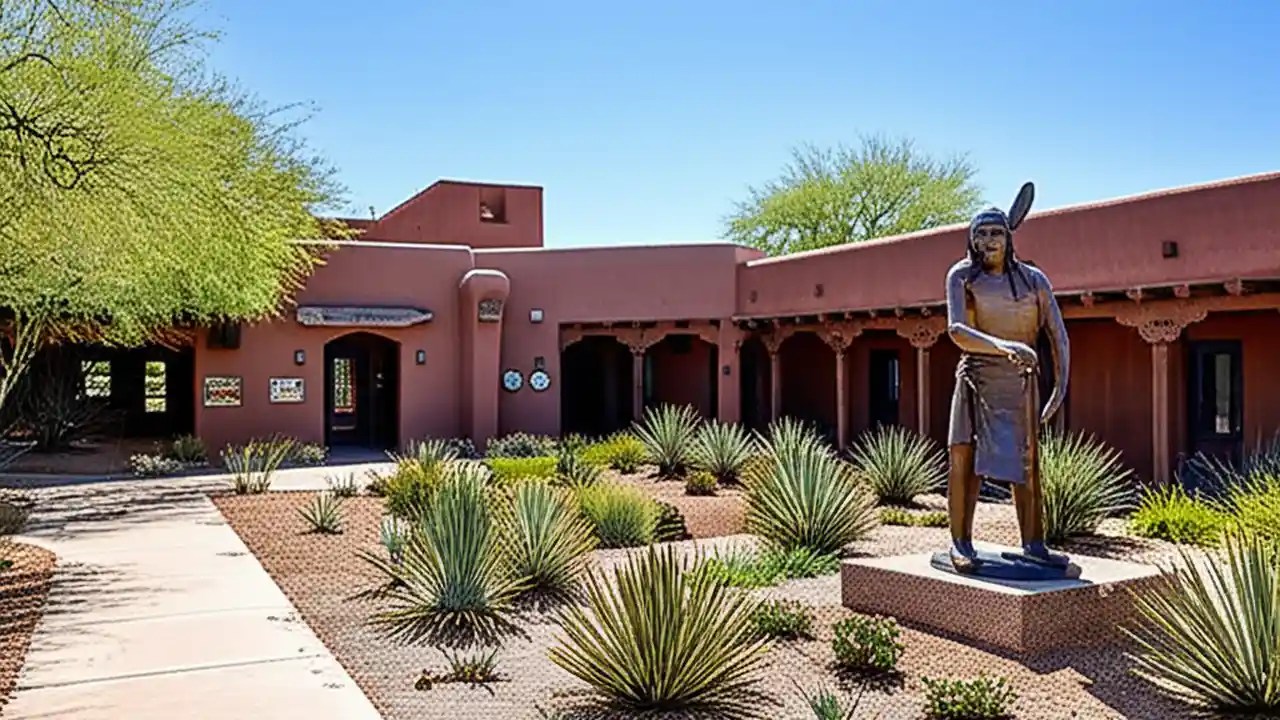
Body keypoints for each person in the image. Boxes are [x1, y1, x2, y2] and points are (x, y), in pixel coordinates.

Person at [943, 183, 1070, 573]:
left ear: (1009, 237)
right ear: (971, 239)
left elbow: (1056, 334)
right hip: (975, 378)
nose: (988, 240)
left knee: (1027, 462)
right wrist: (1004, 347)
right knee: (963, 458)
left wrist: (1059, 386)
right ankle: (960, 542)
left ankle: (1034, 543)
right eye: (980, 233)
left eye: (996, 232)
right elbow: (957, 331)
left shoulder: (1034, 280)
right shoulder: (962, 276)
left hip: (1020, 384)